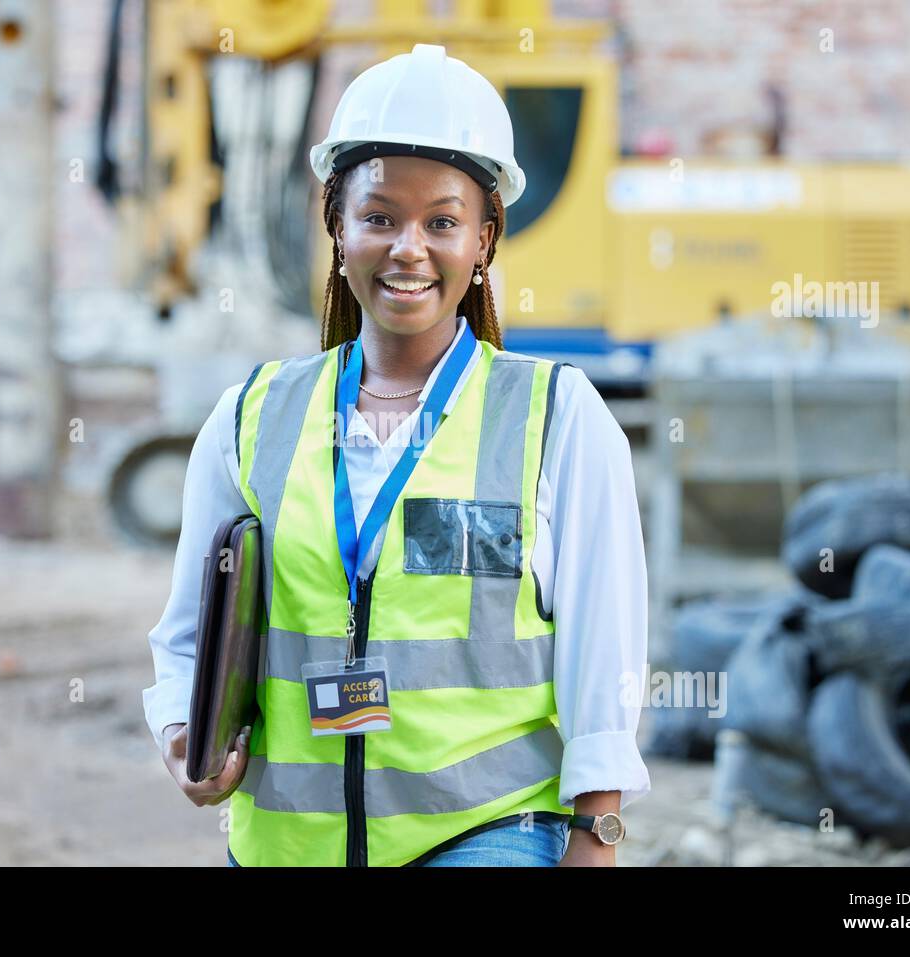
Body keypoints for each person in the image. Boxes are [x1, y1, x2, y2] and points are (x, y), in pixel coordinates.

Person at [142, 43, 650, 867]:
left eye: (442, 221)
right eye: (379, 216)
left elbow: (605, 645)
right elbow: (185, 636)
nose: (409, 246)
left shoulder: (556, 416)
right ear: (337, 228)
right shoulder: (252, 416)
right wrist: (180, 730)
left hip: (483, 830)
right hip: (285, 845)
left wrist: (597, 834)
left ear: (484, 240)